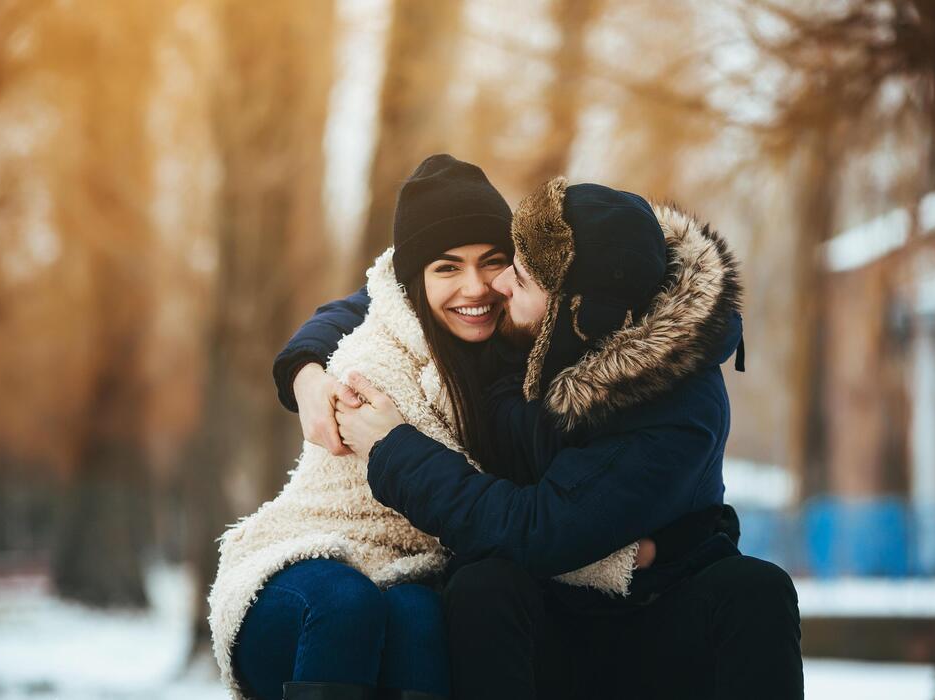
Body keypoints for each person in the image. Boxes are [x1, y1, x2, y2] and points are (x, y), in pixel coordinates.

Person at [286, 177, 803, 699]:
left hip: (653, 614)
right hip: (544, 614)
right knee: (483, 585)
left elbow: (536, 529)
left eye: (523, 278)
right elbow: (395, 296)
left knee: (756, 590)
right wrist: (304, 368)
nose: (497, 285)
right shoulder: (537, 318)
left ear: (575, 317)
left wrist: (393, 448)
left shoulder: (679, 411)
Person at [209, 156, 640, 700]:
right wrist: (614, 558)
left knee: (421, 616)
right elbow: (467, 509)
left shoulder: (516, 359)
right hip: (308, 562)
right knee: (347, 604)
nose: (476, 287)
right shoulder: (377, 367)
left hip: (408, 571)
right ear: (415, 279)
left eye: (492, 262)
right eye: (448, 268)